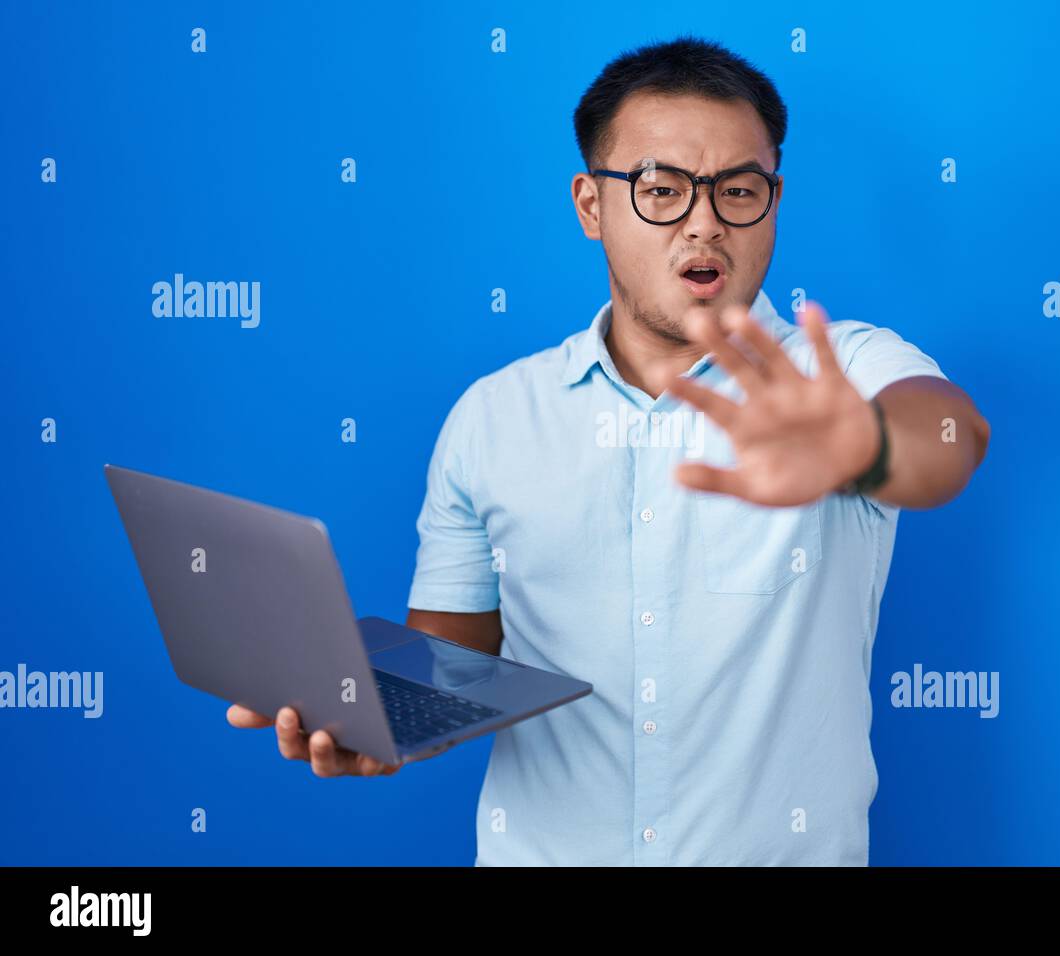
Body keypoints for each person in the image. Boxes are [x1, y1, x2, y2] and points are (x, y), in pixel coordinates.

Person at [228, 35, 990, 865]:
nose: (705, 222)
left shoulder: (843, 369)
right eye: (661, 189)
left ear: (773, 200)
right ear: (591, 204)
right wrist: (381, 723)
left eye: (740, 191)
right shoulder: (492, 416)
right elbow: (451, 668)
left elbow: (951, 437)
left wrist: (866, 447)